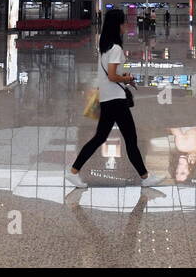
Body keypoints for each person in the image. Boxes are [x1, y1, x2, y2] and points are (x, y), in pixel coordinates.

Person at [69, 10, 163, 188]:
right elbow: (112, 76)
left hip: (107, 98)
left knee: (99, 138)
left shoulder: (105, 46)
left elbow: (110, 74)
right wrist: (126, 79)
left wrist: (123, 75)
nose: (126, 26)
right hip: (116, 101)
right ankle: (145, 178)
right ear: (117, 25)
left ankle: (73, 171)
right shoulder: (116, 48)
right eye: (124, 23)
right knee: (130, 139)